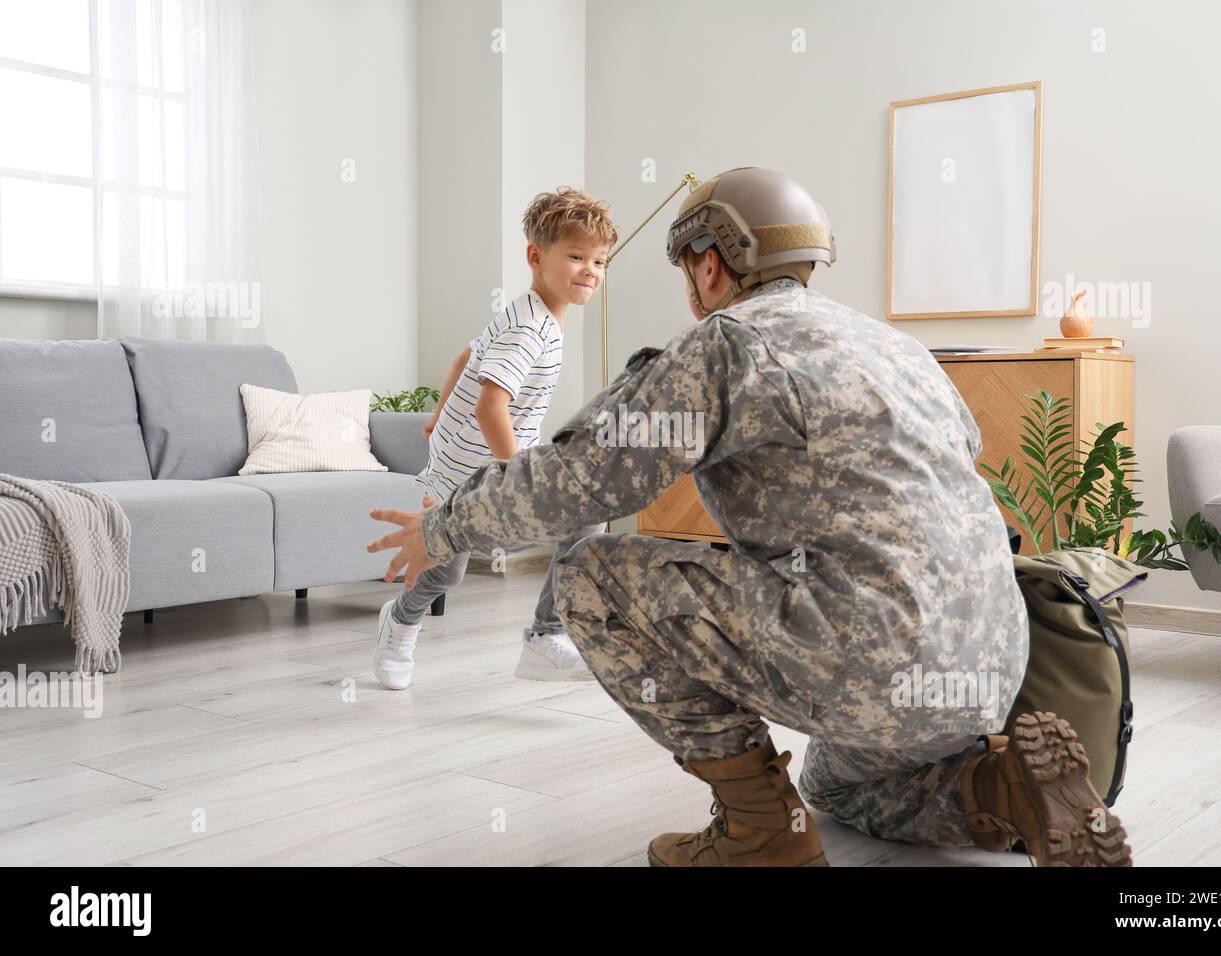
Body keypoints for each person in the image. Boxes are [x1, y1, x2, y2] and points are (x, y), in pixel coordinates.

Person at [368, 167, 1133, 867]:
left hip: (867, 655)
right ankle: (998, 788)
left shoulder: (729, 343)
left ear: (711, 260)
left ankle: (759, 828)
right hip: (988, 672)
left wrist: (444, 527)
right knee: (836, 785)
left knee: (588, 576)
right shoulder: (898, 348)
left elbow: (578, 481)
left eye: (687, 271)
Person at [371, 187, 614, 690]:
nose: (590, 270)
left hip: (471, 464)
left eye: (599, 260)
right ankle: (399, 623)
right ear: (536, 256)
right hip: (474, 473)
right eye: (575, 256)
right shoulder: (531, 329)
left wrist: (438, 413)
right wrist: (520, 476)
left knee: (579, 517)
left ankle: (545, 636)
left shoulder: (529, 313)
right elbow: (490, 406)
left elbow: (467, 358)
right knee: (444, 573)